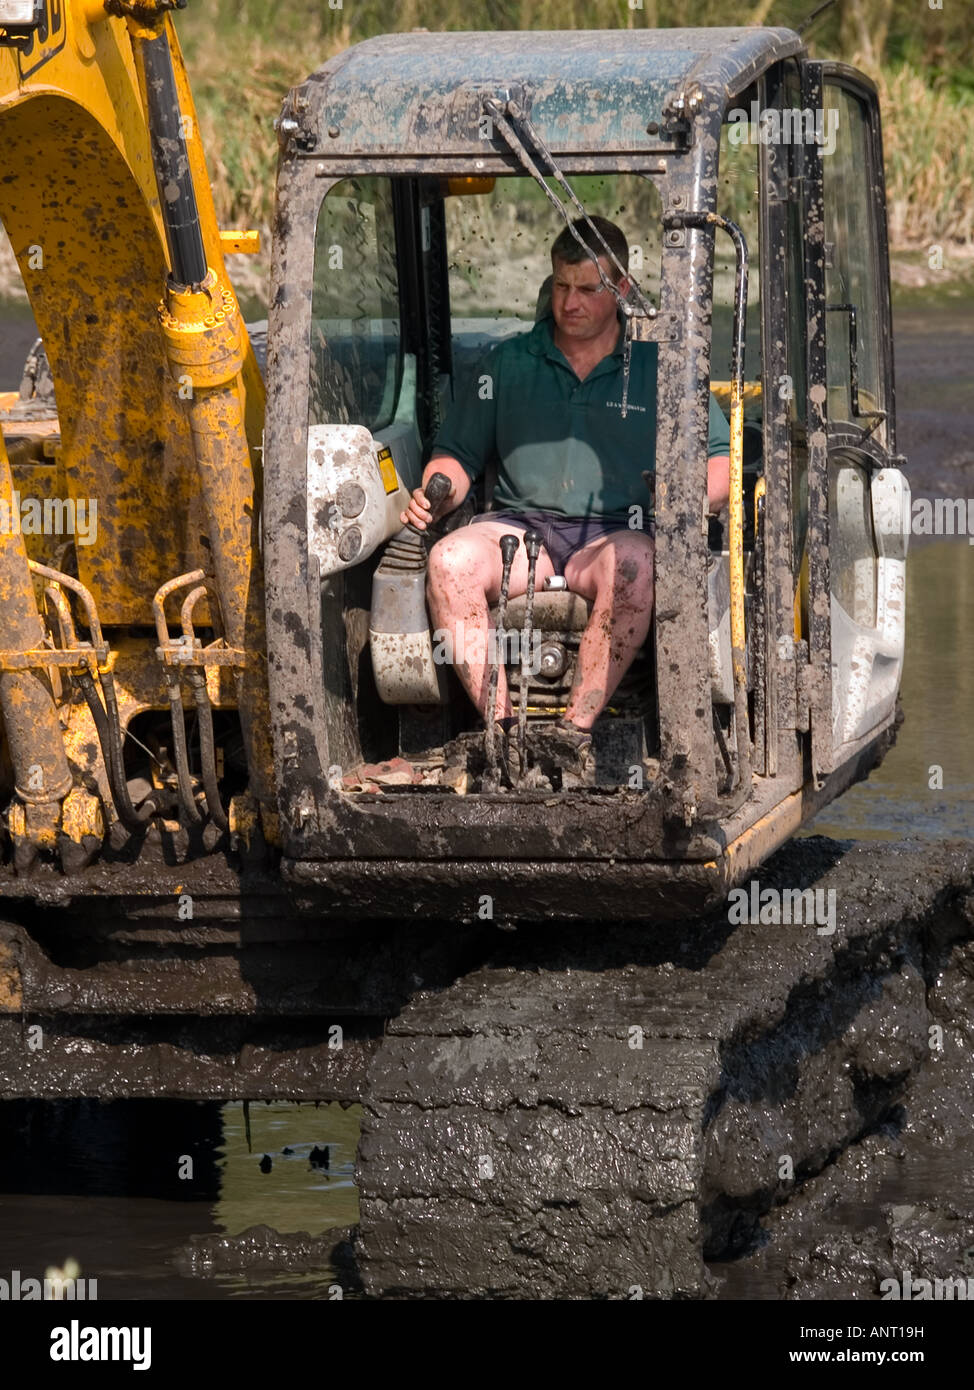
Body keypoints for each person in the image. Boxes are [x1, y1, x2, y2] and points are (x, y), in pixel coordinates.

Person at [400, 216, 730, 777]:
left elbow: (720, 463)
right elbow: (457, 453)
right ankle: (501, 733)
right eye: (559, 286)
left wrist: (690, 498)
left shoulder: (663, 371)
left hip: (613, 532)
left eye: (585, 288)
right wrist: (438, 489)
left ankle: (572, 734)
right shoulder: (507, 365)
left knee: (636, 564)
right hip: (519, 529)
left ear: (622, 289)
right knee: (447, 560)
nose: (568, 302)